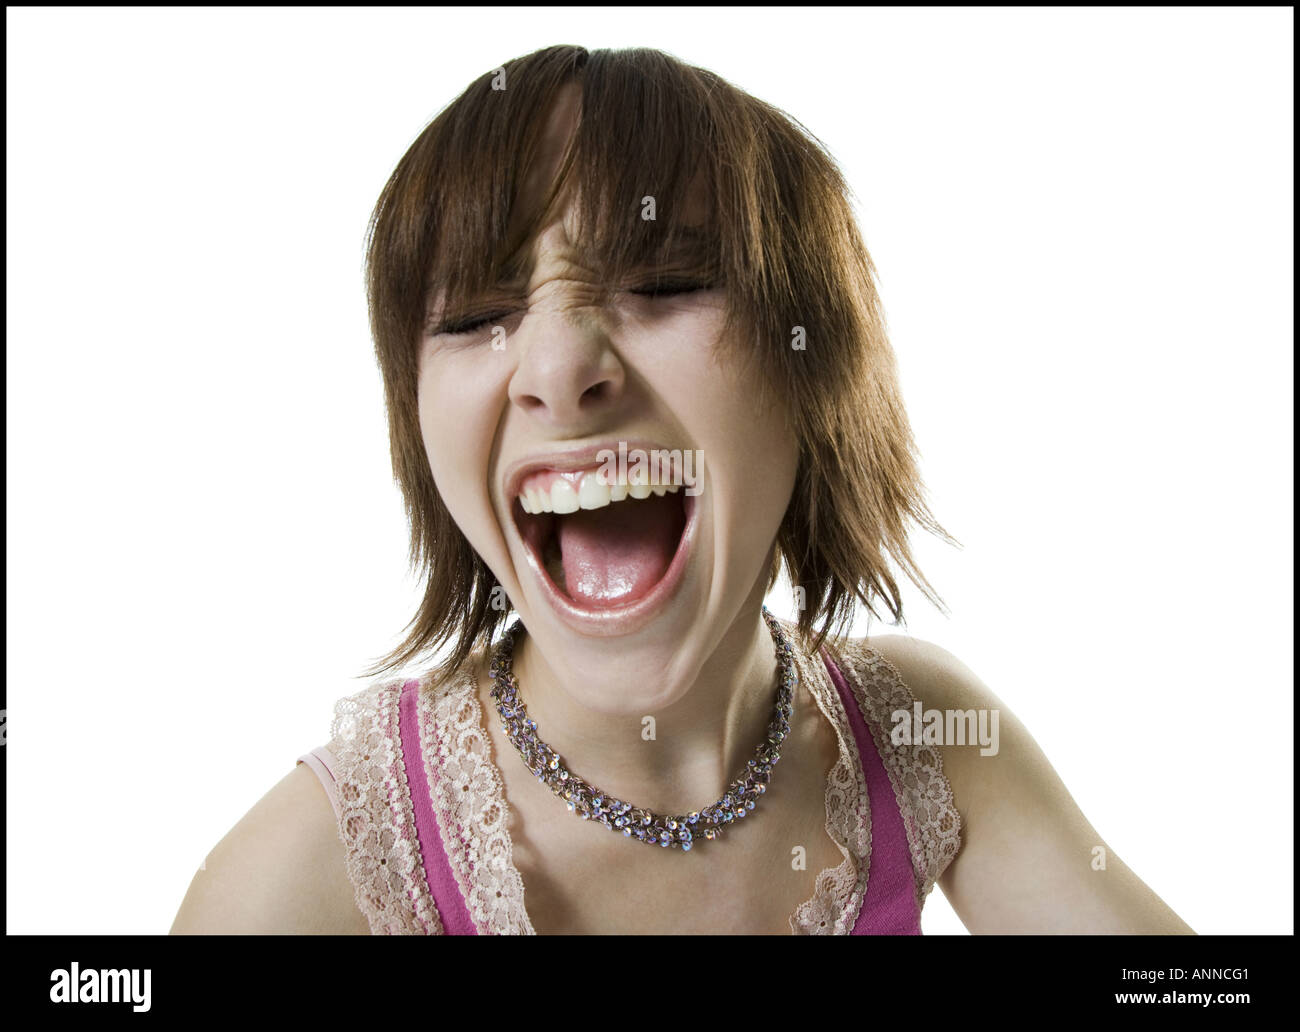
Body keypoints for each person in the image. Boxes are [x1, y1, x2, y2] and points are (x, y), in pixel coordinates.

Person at [170, 44, 1193, 935]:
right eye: (479, 310)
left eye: (665, 287)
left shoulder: (925, 736)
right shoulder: (305, 874)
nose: (558, 369)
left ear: (813, 367)